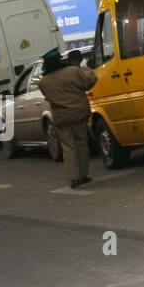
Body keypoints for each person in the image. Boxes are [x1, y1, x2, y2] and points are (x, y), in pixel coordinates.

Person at [36, 47, 98, 189]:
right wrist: (86, 68)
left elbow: (47, 97)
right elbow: (89, 82)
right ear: (59, 59)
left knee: (68, 148)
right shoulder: (73, 71)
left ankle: (74, 179)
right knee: (81, 144)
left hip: (61, 118)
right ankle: (83, 175)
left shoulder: (43, 82)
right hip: (79, 114)